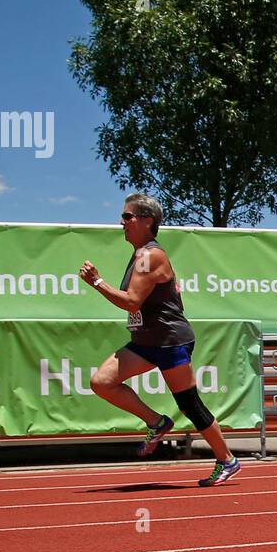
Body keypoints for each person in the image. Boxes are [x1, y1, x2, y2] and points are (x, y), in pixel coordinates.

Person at [79, 193, 241, 487]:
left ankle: (227, 459)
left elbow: (132, 302)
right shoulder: (139, 254)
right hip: (145, 341)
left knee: (189, 404)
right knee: (101, 382)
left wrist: (97, 282)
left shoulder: (150, 255)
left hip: (169, 342)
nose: (121, 222)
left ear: (147, 221)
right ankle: (156, 421)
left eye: (127, 216)